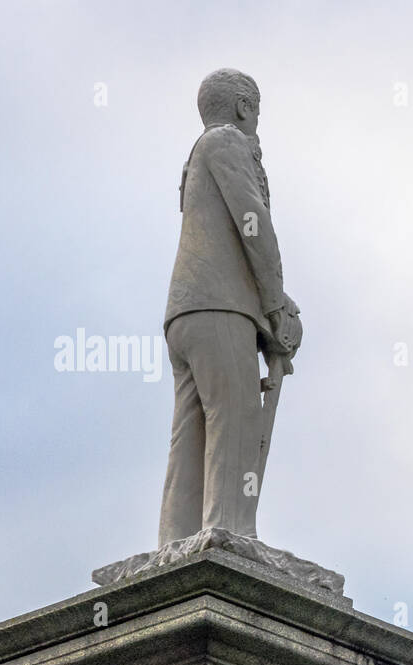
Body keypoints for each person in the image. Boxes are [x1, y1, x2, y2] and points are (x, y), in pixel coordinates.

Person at [158, 68, 302, 547]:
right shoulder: (227, 142)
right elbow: (252, 224)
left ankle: (178, 541)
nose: (257, 120)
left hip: (189, 308)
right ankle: (229, 533)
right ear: (244, 106)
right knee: (236, 415)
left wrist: (275, 301)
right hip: (222, 306)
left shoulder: (197, 154)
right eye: (256, 109)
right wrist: (275, 305)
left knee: (193, 428)